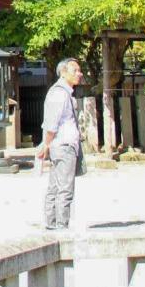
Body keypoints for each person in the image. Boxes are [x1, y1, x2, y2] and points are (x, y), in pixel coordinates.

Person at [36, 56, 85, 230]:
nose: (79, 73)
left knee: (56, 185)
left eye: (79, 70)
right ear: (63, 73)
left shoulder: (64, 93)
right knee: (64, 188)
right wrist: (46, 144)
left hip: (62, 144)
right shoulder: (59, 93)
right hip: (63, 145)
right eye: (75, 70)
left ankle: (52, 223)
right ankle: (61, 226)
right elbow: (52, 124)